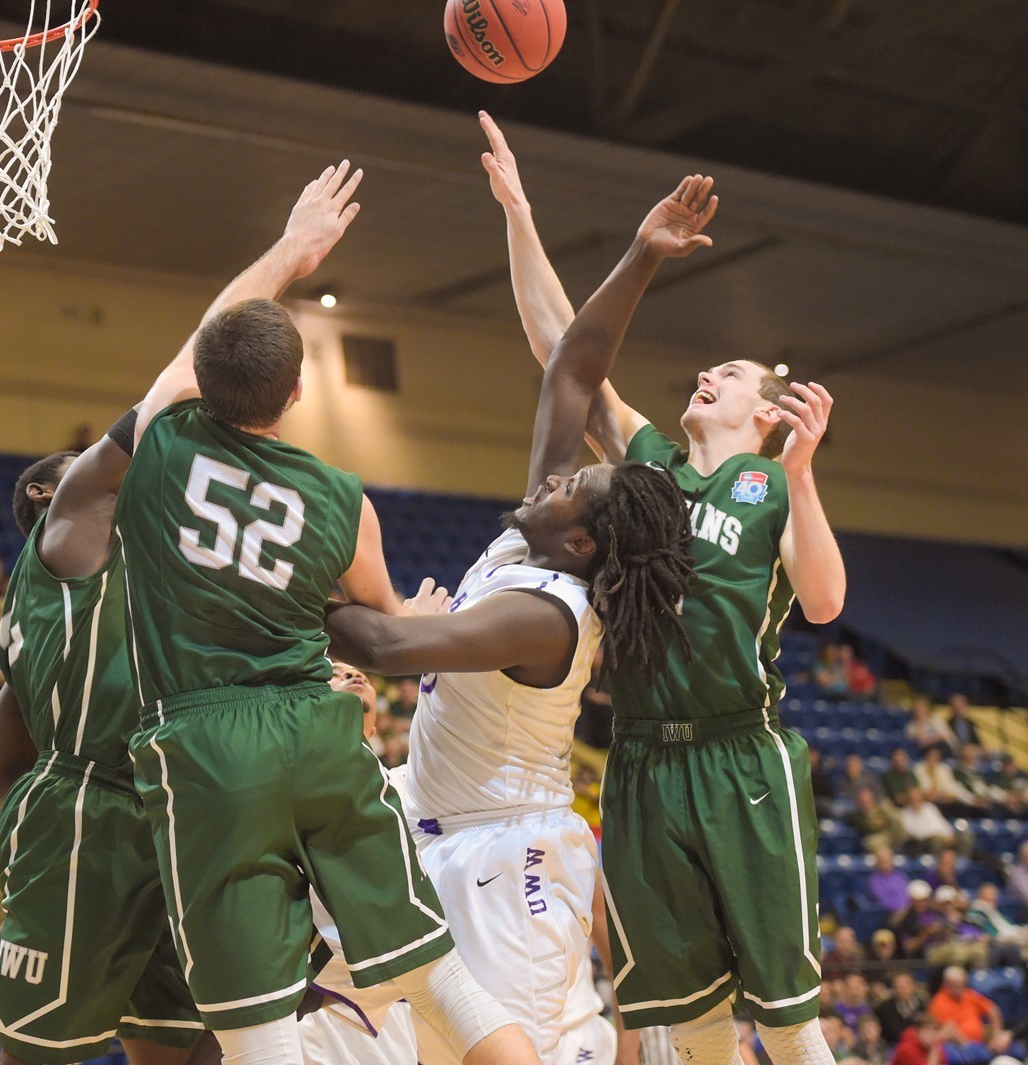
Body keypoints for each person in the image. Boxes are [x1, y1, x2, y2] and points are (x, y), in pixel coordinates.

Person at [114, 151, 554, 1063]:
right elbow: (382, 620)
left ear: (201, 374)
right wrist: (424, 618)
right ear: (300, 392)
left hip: (208, 746)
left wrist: (290, 249)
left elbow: (204, 342)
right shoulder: (345, 498)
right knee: (438, 976)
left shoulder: (158, 443)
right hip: (320, 729)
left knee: (259, 1032)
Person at [0, 165, 367, 1065]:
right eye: (87, 457)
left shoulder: (141, 557)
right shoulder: (73, 537)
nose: (120, 451)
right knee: (42, 1052)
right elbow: (184, 377)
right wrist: (289, 256)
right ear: (50, 491)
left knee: (184, 1046)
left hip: (183, 800)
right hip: (93, 818)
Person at [478, 109, 846, 1065]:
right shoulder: (647, 474)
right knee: (687, 1022)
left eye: (727, 372)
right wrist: (520, 214)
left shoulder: (769, 483)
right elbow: (565, 349)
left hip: (741, 757)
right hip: (642, 760)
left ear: (766, 413)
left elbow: (825, 603)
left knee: (788, 1016)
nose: (705, 373)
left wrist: (804, 477)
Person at [321, 170, 711, 1065]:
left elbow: (382, 642)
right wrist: (642, 254)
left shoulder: (548, 611)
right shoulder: (533, 541)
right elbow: (574, 366)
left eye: (573, 484)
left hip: (511, 860)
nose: (554, 477)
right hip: (434, 824)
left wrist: (261, 576)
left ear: (582, 544)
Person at [930, 966, 1001, 1045]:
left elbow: (993, 1009)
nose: (958, 989)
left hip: (980, 1043)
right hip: (956, 1045)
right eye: (954, 985)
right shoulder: (939, 1001)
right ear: (946, 984)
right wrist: (968, 1045)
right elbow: (949, 1029)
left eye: (961, 985)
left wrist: (996, 1035)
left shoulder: (968, 994)